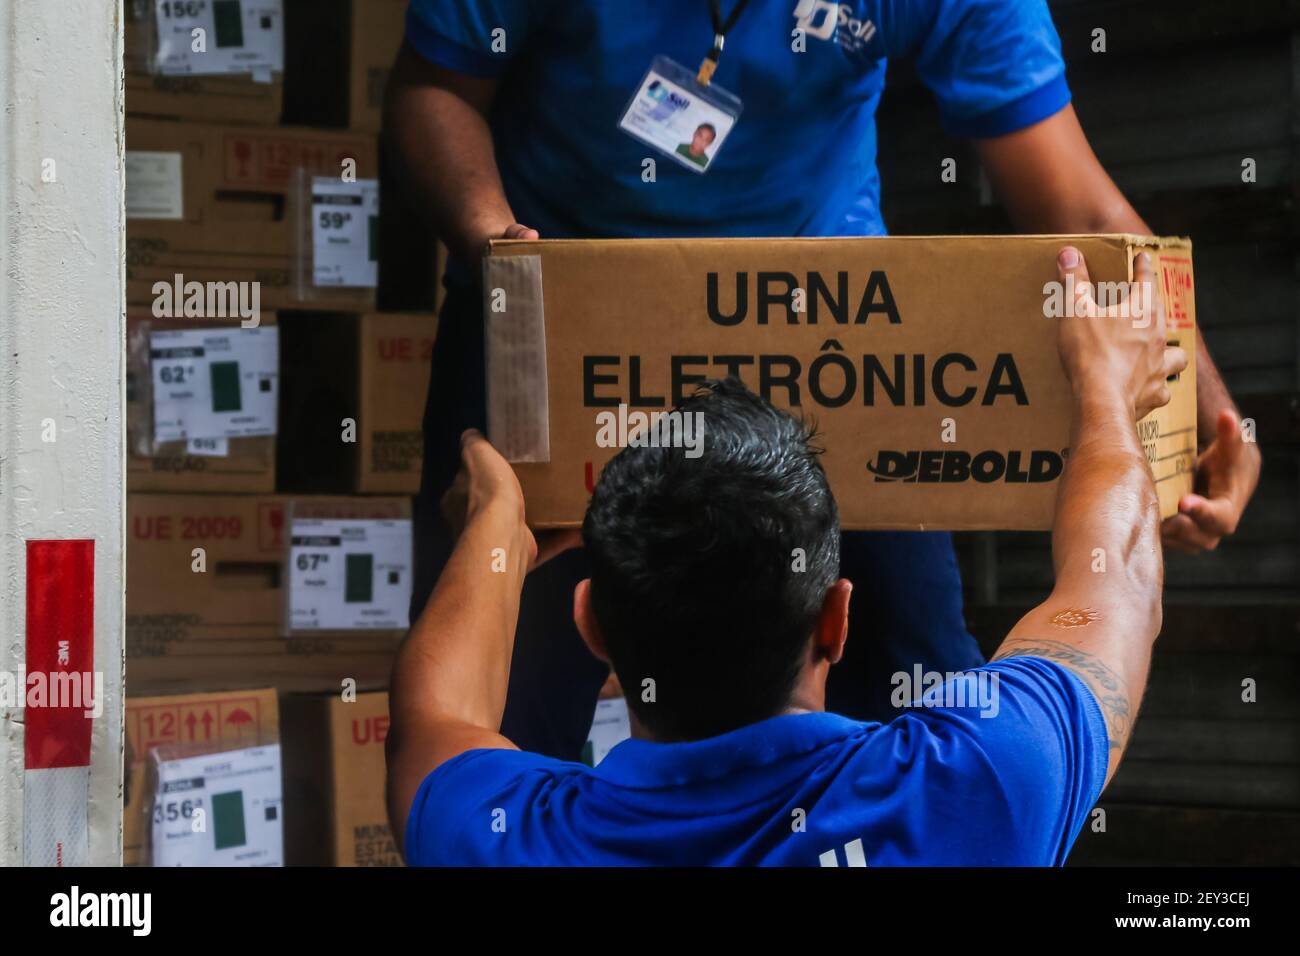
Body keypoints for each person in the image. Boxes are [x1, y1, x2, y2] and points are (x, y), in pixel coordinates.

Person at [386, 0, 1260, 759]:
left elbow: (1078, 202)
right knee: (503, 696)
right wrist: (497, 245)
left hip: (825, 339)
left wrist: (1200, 405)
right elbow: (434, 91)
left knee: (922, 678)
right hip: (559, 326)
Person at [387, 247, 1185, 865]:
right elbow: (1118, 581)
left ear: (590, 622)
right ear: (835, 620)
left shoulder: (503, 836)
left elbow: (434, 716)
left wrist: (499, 519)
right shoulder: (979, 783)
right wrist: (1107, 397)